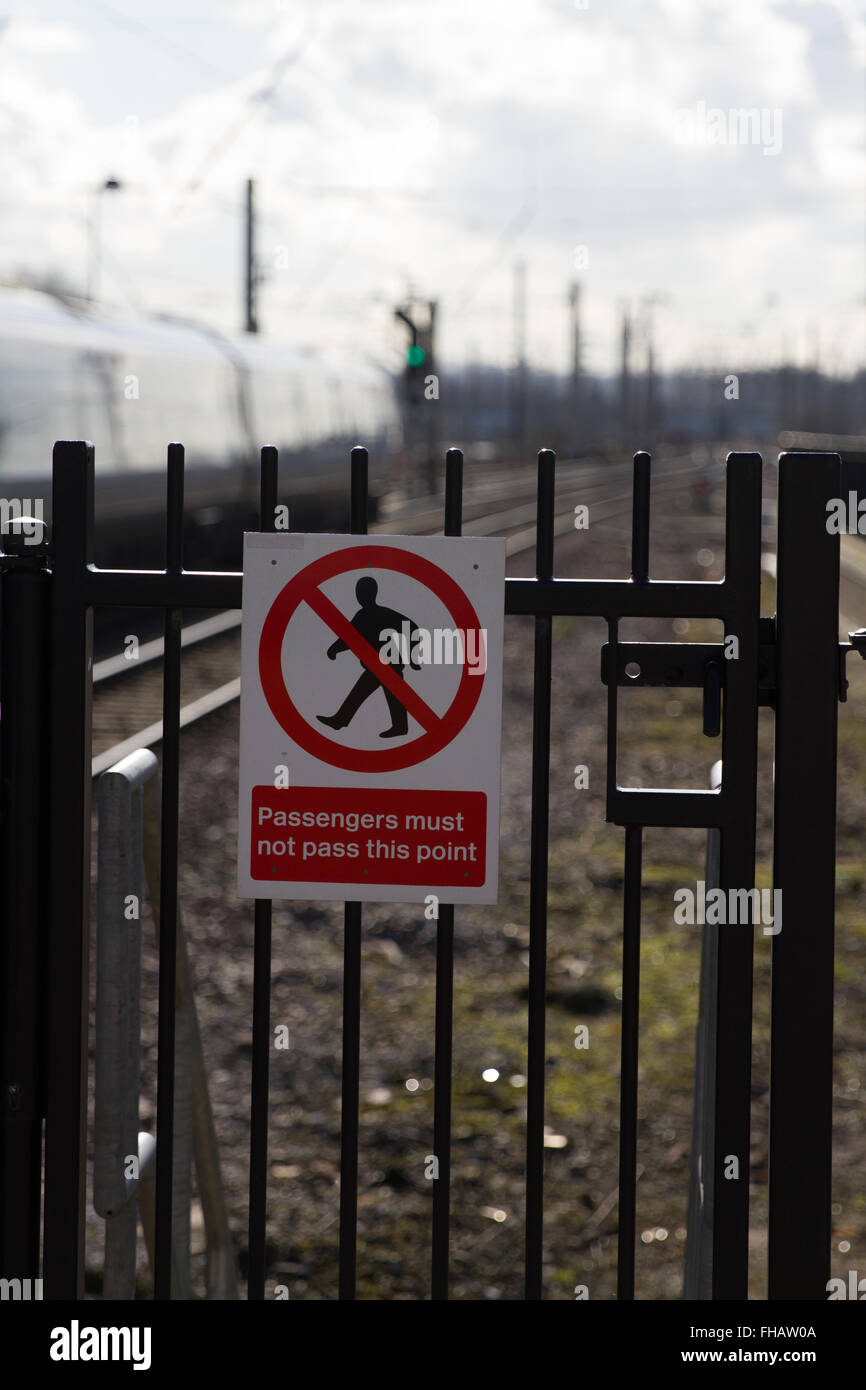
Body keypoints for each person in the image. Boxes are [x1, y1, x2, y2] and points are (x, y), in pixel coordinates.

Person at [317, 576, 420, 738]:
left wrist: (413, 657)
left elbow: (412, 628)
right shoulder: (363, 615)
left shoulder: (377, 614)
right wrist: (334, 649)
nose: (359, 596)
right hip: (378, 665)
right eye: (358, 592)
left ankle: (341, 720)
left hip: (388, 664)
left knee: (368, 693)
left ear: (371, 594)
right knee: (389, 695)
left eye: (362, 592)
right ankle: (398, 726)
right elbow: (349, 638)